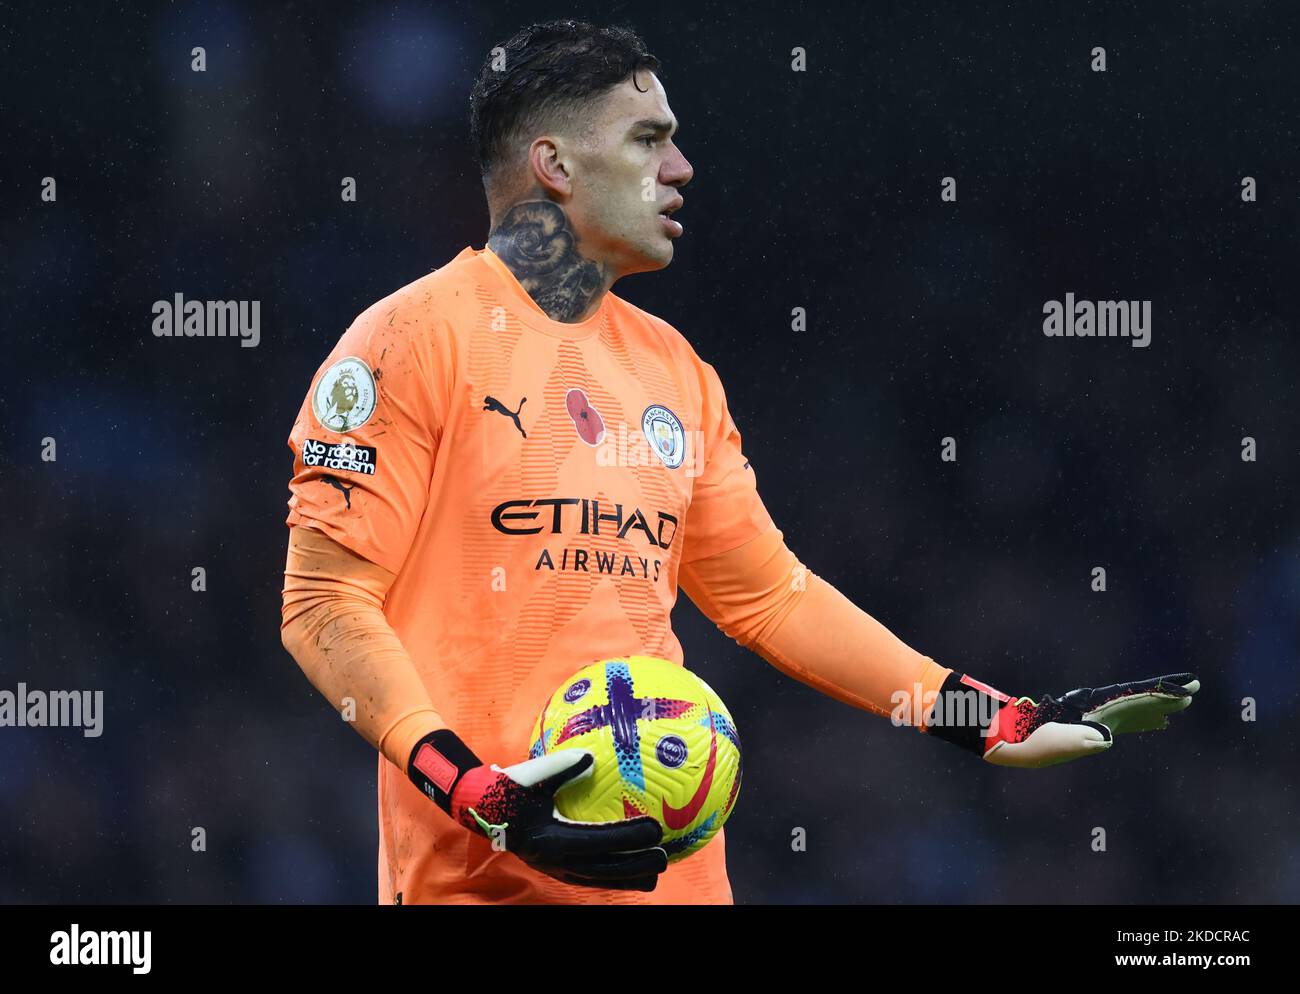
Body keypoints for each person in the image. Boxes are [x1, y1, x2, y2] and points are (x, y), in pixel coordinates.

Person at [279, 20, 1197, 905]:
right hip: (477, 877)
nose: (681, 170)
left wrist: (987, 721)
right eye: (649, 141)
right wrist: (476, 789)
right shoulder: (406, 342)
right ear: (554, 166)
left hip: (671, 883)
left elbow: (771, 598)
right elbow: (323, 606)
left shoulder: (676, 371)